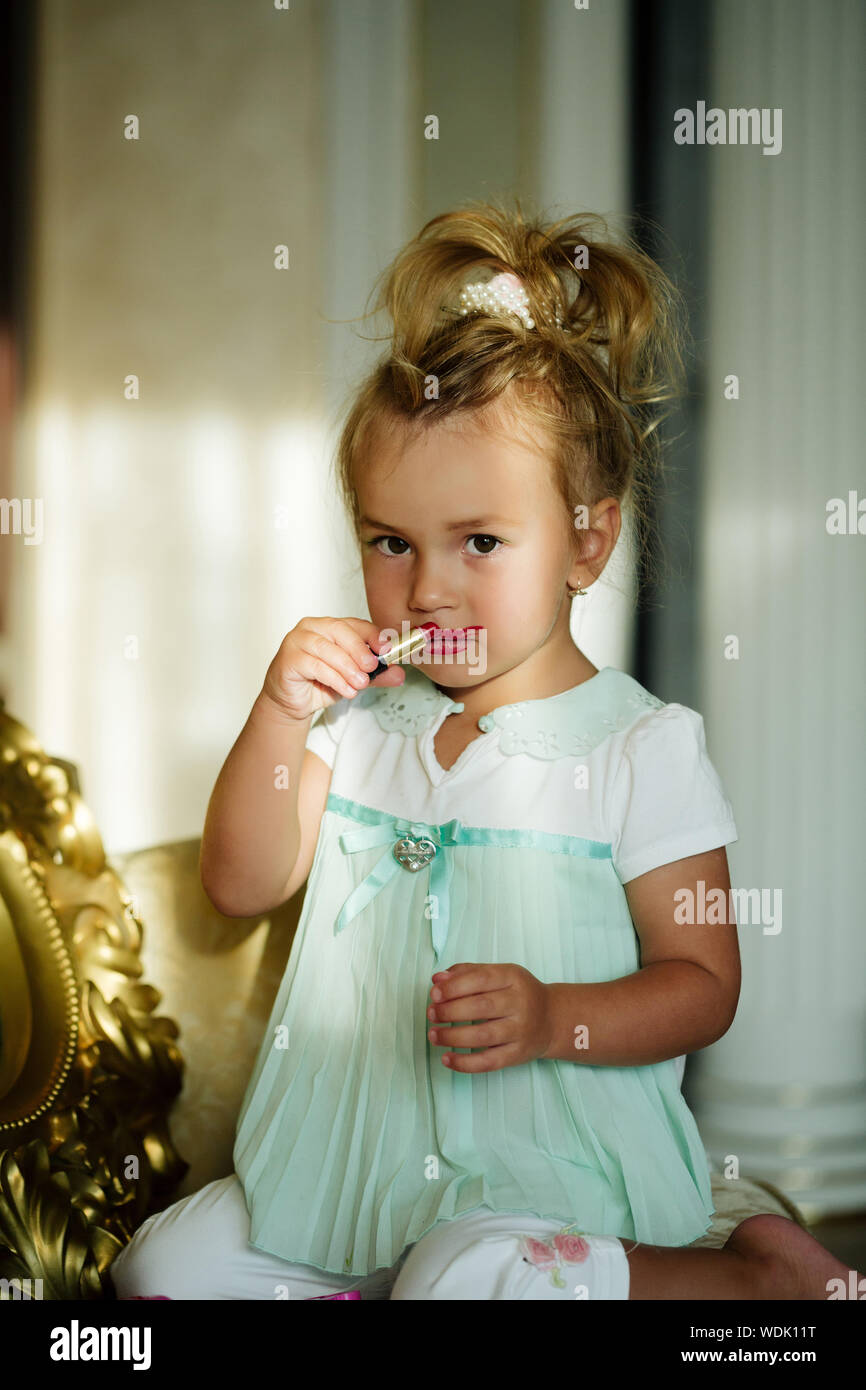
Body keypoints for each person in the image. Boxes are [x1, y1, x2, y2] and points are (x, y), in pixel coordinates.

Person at [110, 199, 860, 1301]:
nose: (428, 586)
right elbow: (239, 880)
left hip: (545, 1173)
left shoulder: (639, 748)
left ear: (585, 541)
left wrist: (556, 1012)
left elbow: (703, 985)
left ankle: (745, 1283)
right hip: (352, 1167)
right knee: (160, 1268)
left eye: (479, 541)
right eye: (388, 542)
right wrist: (278, 713)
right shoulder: (364, 724)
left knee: (468, 1277)